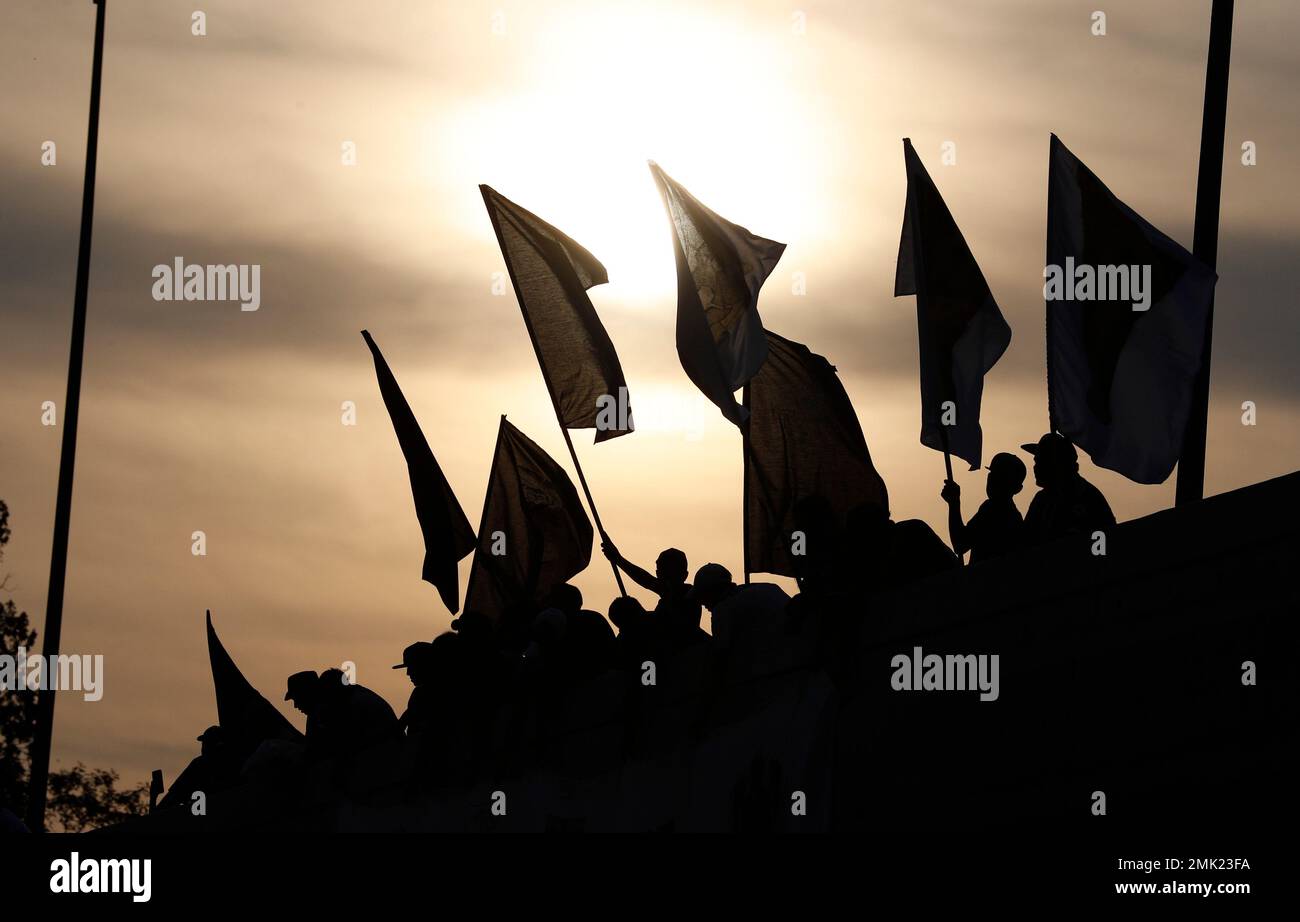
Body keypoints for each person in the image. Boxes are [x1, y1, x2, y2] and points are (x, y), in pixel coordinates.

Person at [602, 541, 703, 650]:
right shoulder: (669, 596)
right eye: (660, 571)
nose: (661, 576)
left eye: (668, 571)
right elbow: (646, 580)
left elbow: (646, 580)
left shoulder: (686, 597)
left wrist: (619, 559)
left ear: (684, 575)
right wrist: (618, 559)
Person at [1019, 433, 1115, 545]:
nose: (1035, 467)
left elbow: (1105, 544)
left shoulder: (1088, 497)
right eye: (1036, 461)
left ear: (1056, 462)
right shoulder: (1042, 499)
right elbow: (1025, 541)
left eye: (1041, 461)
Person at [941, 452, 1026, 564]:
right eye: (992, 474)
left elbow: (960, 544)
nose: (992, 480)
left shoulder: (994, 510)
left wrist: (954, 503)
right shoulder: (1008, 513)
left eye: (1001, 477)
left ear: (1017, 488)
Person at [689, 563, 790, 649]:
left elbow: (720, 654)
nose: (702, 603)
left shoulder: (723, 610)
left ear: (712, 592)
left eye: (702, 595)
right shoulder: (769, 588)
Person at [392, 641, 437, 737]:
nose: (408, 673)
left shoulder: (424, 695)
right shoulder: (419, 694)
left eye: (411, 667)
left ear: (425, 667)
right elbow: (400, 725)